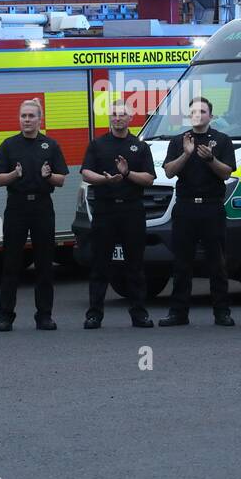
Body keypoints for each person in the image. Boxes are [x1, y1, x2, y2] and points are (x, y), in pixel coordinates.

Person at [0, 99, 69, 331]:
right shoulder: (9, 145)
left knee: (44, 264)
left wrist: (48, 176)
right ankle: (5, 316)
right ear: (19, 119)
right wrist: (14, 174)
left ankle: (44, 315)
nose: (26, 120)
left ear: (39, 119)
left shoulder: (50, 145)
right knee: (11, 264)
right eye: (23, 116)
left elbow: (61, 180)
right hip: (17, 207)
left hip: (42, 207)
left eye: (31, 116)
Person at [160, 96, 237, 327]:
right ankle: (178, 313)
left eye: (202, 111)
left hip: (212, 207)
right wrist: (186, 154)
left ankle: (222, 312)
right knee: (182, 263)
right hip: (185, 207)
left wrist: (210, 159)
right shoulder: (178, 141)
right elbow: (169, 173)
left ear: (210, 116)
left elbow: (226, 173)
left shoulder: (222, 140)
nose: (198, 115)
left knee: (217, 262)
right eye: (193, 111)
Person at [80, 101, 156, 329]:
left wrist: (128, 173)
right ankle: (94, 314)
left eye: (122, 114)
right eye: (114, 114)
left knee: (135, 265)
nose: (118, 118)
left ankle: (139, 314)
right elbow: (85, 173)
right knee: (100, 265)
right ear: (109, 118)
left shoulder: (139, 147)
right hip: (105, 210)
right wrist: (106, 180)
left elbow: (149, 178)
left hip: (132, 210)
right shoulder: (98, 145)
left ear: (130, 118)